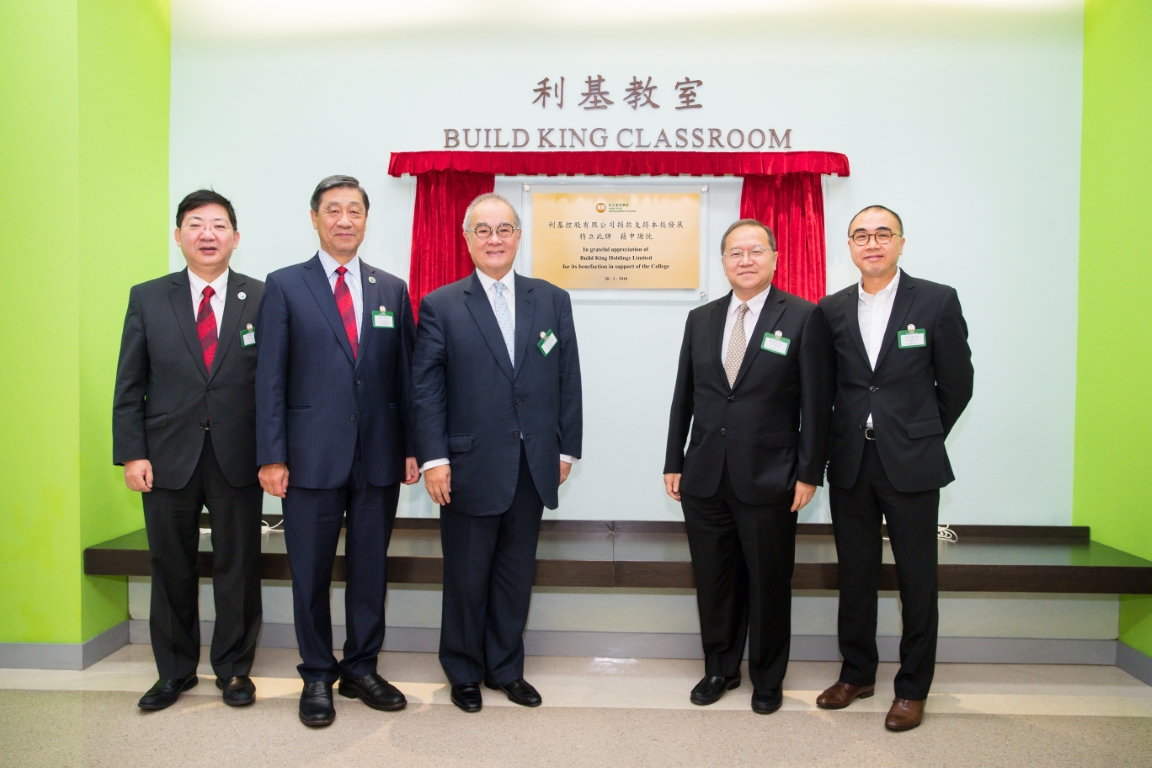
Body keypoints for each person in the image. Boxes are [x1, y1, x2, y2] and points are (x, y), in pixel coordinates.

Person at [254, 175, 419, 728]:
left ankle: (362, 668)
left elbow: (405, 378)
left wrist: (412, 448)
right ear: (314, 217)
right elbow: (269, 378)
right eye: (333, 210)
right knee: (312, 572)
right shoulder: (284, 285)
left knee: (370, 569)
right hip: (308, 458)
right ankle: (318, 674)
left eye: (354, 210)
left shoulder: (391, 289)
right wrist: (272, 455)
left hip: (377, 457)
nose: (344, 219)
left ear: (366, 220)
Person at [411, 193, 583, 713]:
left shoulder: (550, 299)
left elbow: (567, 378)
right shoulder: (441, 304)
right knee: (466, 575)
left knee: (514, 574)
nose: (494, 239)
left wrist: (567, 449)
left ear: (518, 236)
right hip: (465, 467)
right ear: (466, 239)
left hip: (533, 466)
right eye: (482, 230)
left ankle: (506, 668)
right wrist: (435, 459)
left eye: (503, 229)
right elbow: (427, 390)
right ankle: (463, 670)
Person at [663, 219, 833, 714]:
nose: (745, 260)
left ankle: (767, 676)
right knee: (714, 579)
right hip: (705, 475)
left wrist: (808, 472)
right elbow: (684, 396)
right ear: (723, 263)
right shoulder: (702, 319)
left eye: (755, 250)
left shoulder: (803, 317)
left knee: (768, 580)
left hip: (772, 475)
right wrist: (674, 458)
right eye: (735, 252)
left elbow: (816, 405)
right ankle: (719, 667)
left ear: (774, 257)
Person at [815, 205, 973, 731]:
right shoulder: (832, 308)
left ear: (901, 243)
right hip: (852, 462)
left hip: (911, 462)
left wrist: (919, 433)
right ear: (851, 246)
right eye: (861, 235)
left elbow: (957, 384)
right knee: (855, 574)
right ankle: (857, 673)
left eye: (883, 234)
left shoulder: (936, 300)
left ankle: (912, 688)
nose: (872, 243)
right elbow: (825, 390)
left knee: (916, 579)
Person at [113, 190, 264, 711]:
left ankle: (234, 670)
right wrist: (133, 453)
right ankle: (174, 672)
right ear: (178, 235)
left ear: (235, 239)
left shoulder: (262, 298)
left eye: (219, 225)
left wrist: (274, 454)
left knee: (238, 568)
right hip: (166, 457)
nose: (207, 234)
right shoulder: (148, 297)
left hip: (238, 457)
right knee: (171, 566)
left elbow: (274, 388)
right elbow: (130, 383)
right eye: (195, 224)